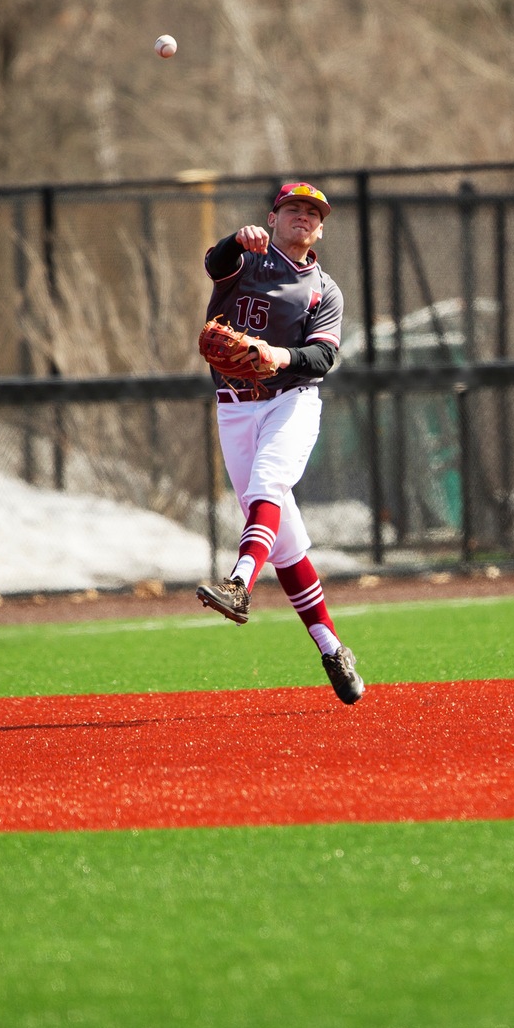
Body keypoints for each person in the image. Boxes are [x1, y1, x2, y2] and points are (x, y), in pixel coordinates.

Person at [193, 181, 365, 705]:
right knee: (283, 541)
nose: (304, 217)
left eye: (314, 213)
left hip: (291, 400)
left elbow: (322, 358)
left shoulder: (325, 290)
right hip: (236, 408)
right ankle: (332, 645)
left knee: (269, 483)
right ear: (272, 218)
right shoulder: (247, 259)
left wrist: (276, 357)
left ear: (321, 228)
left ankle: (239, 583)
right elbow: (213, 261)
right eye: (293, 209)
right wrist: (233, 239)